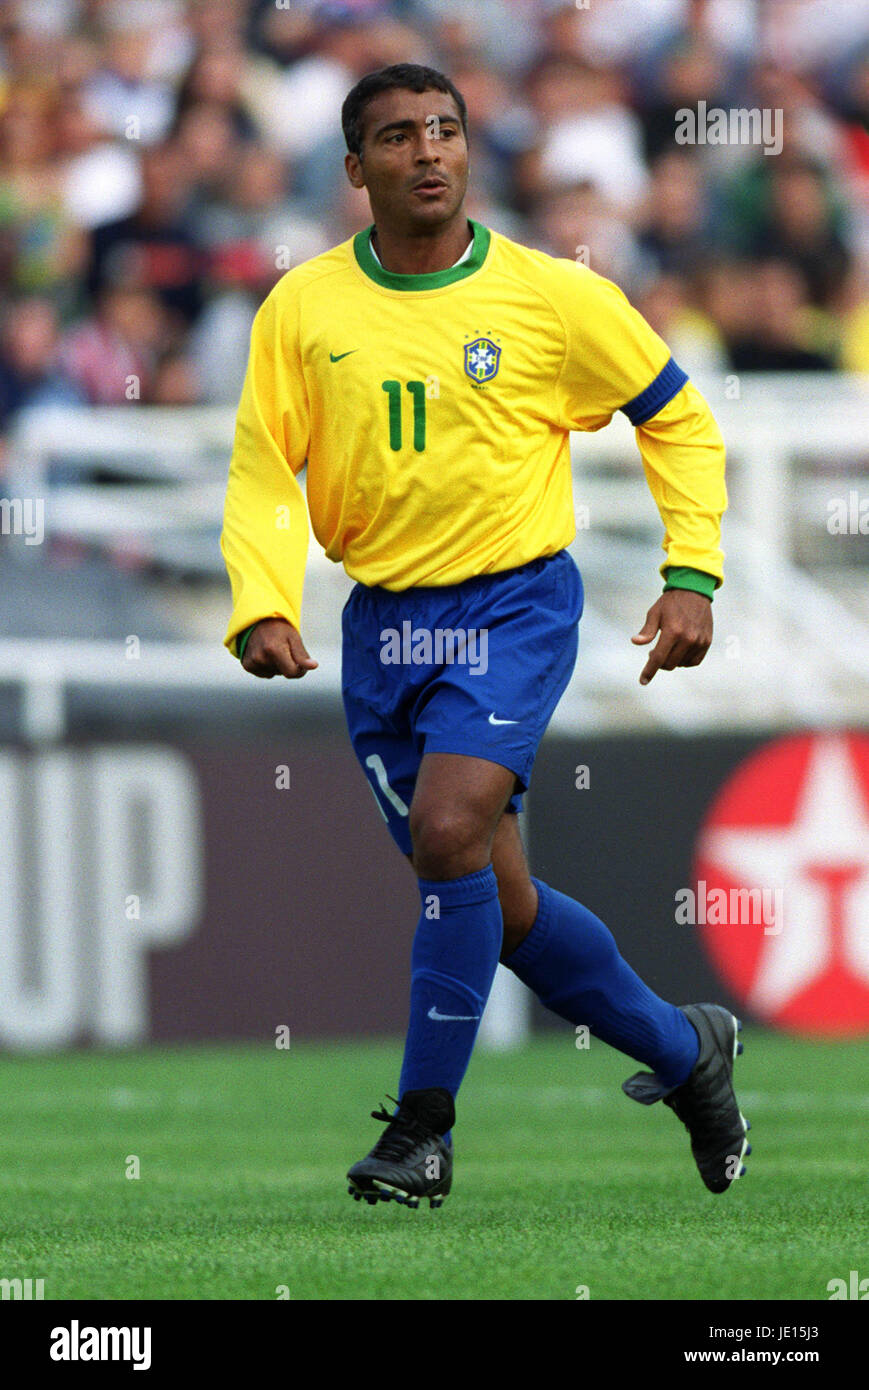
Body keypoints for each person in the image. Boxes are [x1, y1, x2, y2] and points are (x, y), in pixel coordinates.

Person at [220, 63, 751, 1210]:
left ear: (469, 151)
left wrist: (691, 572)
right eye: (400, 136)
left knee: (448, 828)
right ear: (354, 169)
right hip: (382, 630)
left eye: (447, 131)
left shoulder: (551, 297)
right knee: (496, 906)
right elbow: (266, 465)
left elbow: (679, 417)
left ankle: (422, 1128)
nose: (428, 152)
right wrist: (261, 596)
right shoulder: (303, 308)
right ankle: (683, 1051)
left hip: (510, 606)